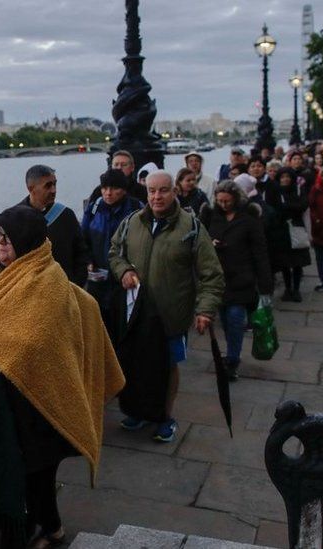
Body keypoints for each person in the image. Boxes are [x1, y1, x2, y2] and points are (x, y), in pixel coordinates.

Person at [0, 205, 124, 549]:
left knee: (34, 475)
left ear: (28, 242)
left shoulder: (46, 280)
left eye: (9, 238)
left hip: (36, 404)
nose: (1, 244)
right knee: (15, 474)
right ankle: (48, 528)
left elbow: (33, 340)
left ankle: (35, 530)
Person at [108, 171, 224, 443]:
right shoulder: (131, 223)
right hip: (137, 314)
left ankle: (164, 417)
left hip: (170, 315)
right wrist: (123, 270)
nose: (156, 197)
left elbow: (211, 274)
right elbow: (115, 252)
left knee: (168, 365)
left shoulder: (191, 228)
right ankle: (138, 411)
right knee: (136, 364)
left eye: (163, 190)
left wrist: (205, 310)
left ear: (174, 192)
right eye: (151, 191)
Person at [200, 182, 274, 380]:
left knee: (234, 318)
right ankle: (232, 352)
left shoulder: (249, 219)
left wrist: (265, 285)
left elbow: (260, 252)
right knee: (224, 319)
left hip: (242, 278)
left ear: (235, 199)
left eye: (227, 201)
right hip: (218, 279)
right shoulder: (210, 216)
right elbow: (200, 241)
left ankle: (233, 359)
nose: (223, 204)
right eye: (220, 200)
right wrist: (211, 243)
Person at [81, 168, 143, 323]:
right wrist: (88, 260)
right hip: (99, 275)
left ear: (123, 189)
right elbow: (83, 237)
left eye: (114, 188)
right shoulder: (95, 208)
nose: (108, 193)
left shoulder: (136, 209)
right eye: (105, 188)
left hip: (125, 276)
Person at [19, 164, 91, 286]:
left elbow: (81, 253)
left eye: (54, 184)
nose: (54, 190)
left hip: (65, 289)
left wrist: (76, 284)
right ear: (31, 188)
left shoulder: (66, 215)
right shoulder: (15, 219)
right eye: (48, 186)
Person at [265, 168, 312, 302]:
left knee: (297, 263)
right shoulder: (275, 191)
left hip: (295, 229)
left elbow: (302, 205)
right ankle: (288, 288)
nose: (285, 180)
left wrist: (287, 206)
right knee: (284, 263)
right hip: (281, 231)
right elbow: (272, 209)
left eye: (287, 177)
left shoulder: (297, 190)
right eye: (282, 177)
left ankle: (296, 289)